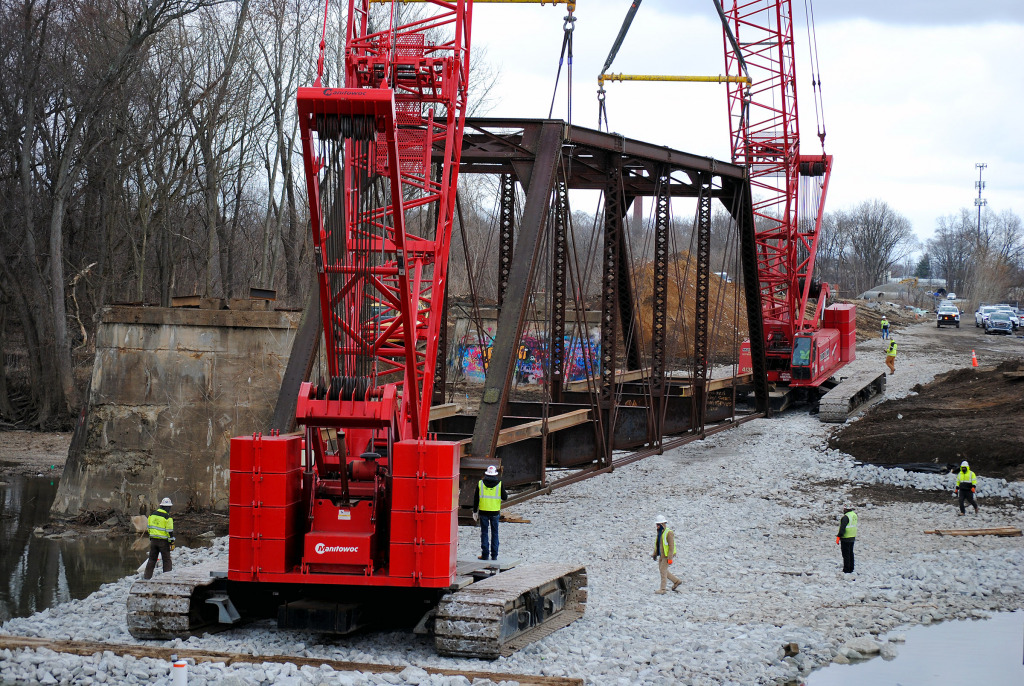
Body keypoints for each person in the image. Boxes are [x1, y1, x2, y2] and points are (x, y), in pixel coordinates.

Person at [473, 465, 508, 561]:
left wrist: (475, 511)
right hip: (495, 512)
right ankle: (494, 555)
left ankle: (485, 555)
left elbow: (476, 499)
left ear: (486, 474)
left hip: (483, 512)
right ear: (495, 474)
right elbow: (505, 497)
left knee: (484, 533)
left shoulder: (480, 483)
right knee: (495, 533)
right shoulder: (499, 484)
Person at [144, 497, 175, 579]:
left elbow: (149, 528)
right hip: (163, 542)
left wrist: (152, 537)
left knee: (151, 559)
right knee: (166, 560)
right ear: (167, 507)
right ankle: (167, 578)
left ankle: (147, 577)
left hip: (153, 541)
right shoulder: (167, 517)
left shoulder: (152, 515)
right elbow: (170, 531)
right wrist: (171, 542)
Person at [652, 515, 681, 594]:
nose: (656, 526)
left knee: (663, 571)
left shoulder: (668, 533)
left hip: (667, 555)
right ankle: (676, 581)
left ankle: (663, 589)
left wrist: (670, 558)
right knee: (663, 570)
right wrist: (655, 554)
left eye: (658, 524)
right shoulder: (660, 533)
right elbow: (657, 545)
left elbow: (671, 546)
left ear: (662, 524)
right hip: (662, 555)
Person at [836, 505, 857, 574]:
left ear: (846, 509)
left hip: (846, 537)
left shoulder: (845, 517)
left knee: (846, 554)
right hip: (852, 536)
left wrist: (839, 536)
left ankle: (846, 569)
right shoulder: (854, 515)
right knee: (851, 553)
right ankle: (851, 568)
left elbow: (842, 528)